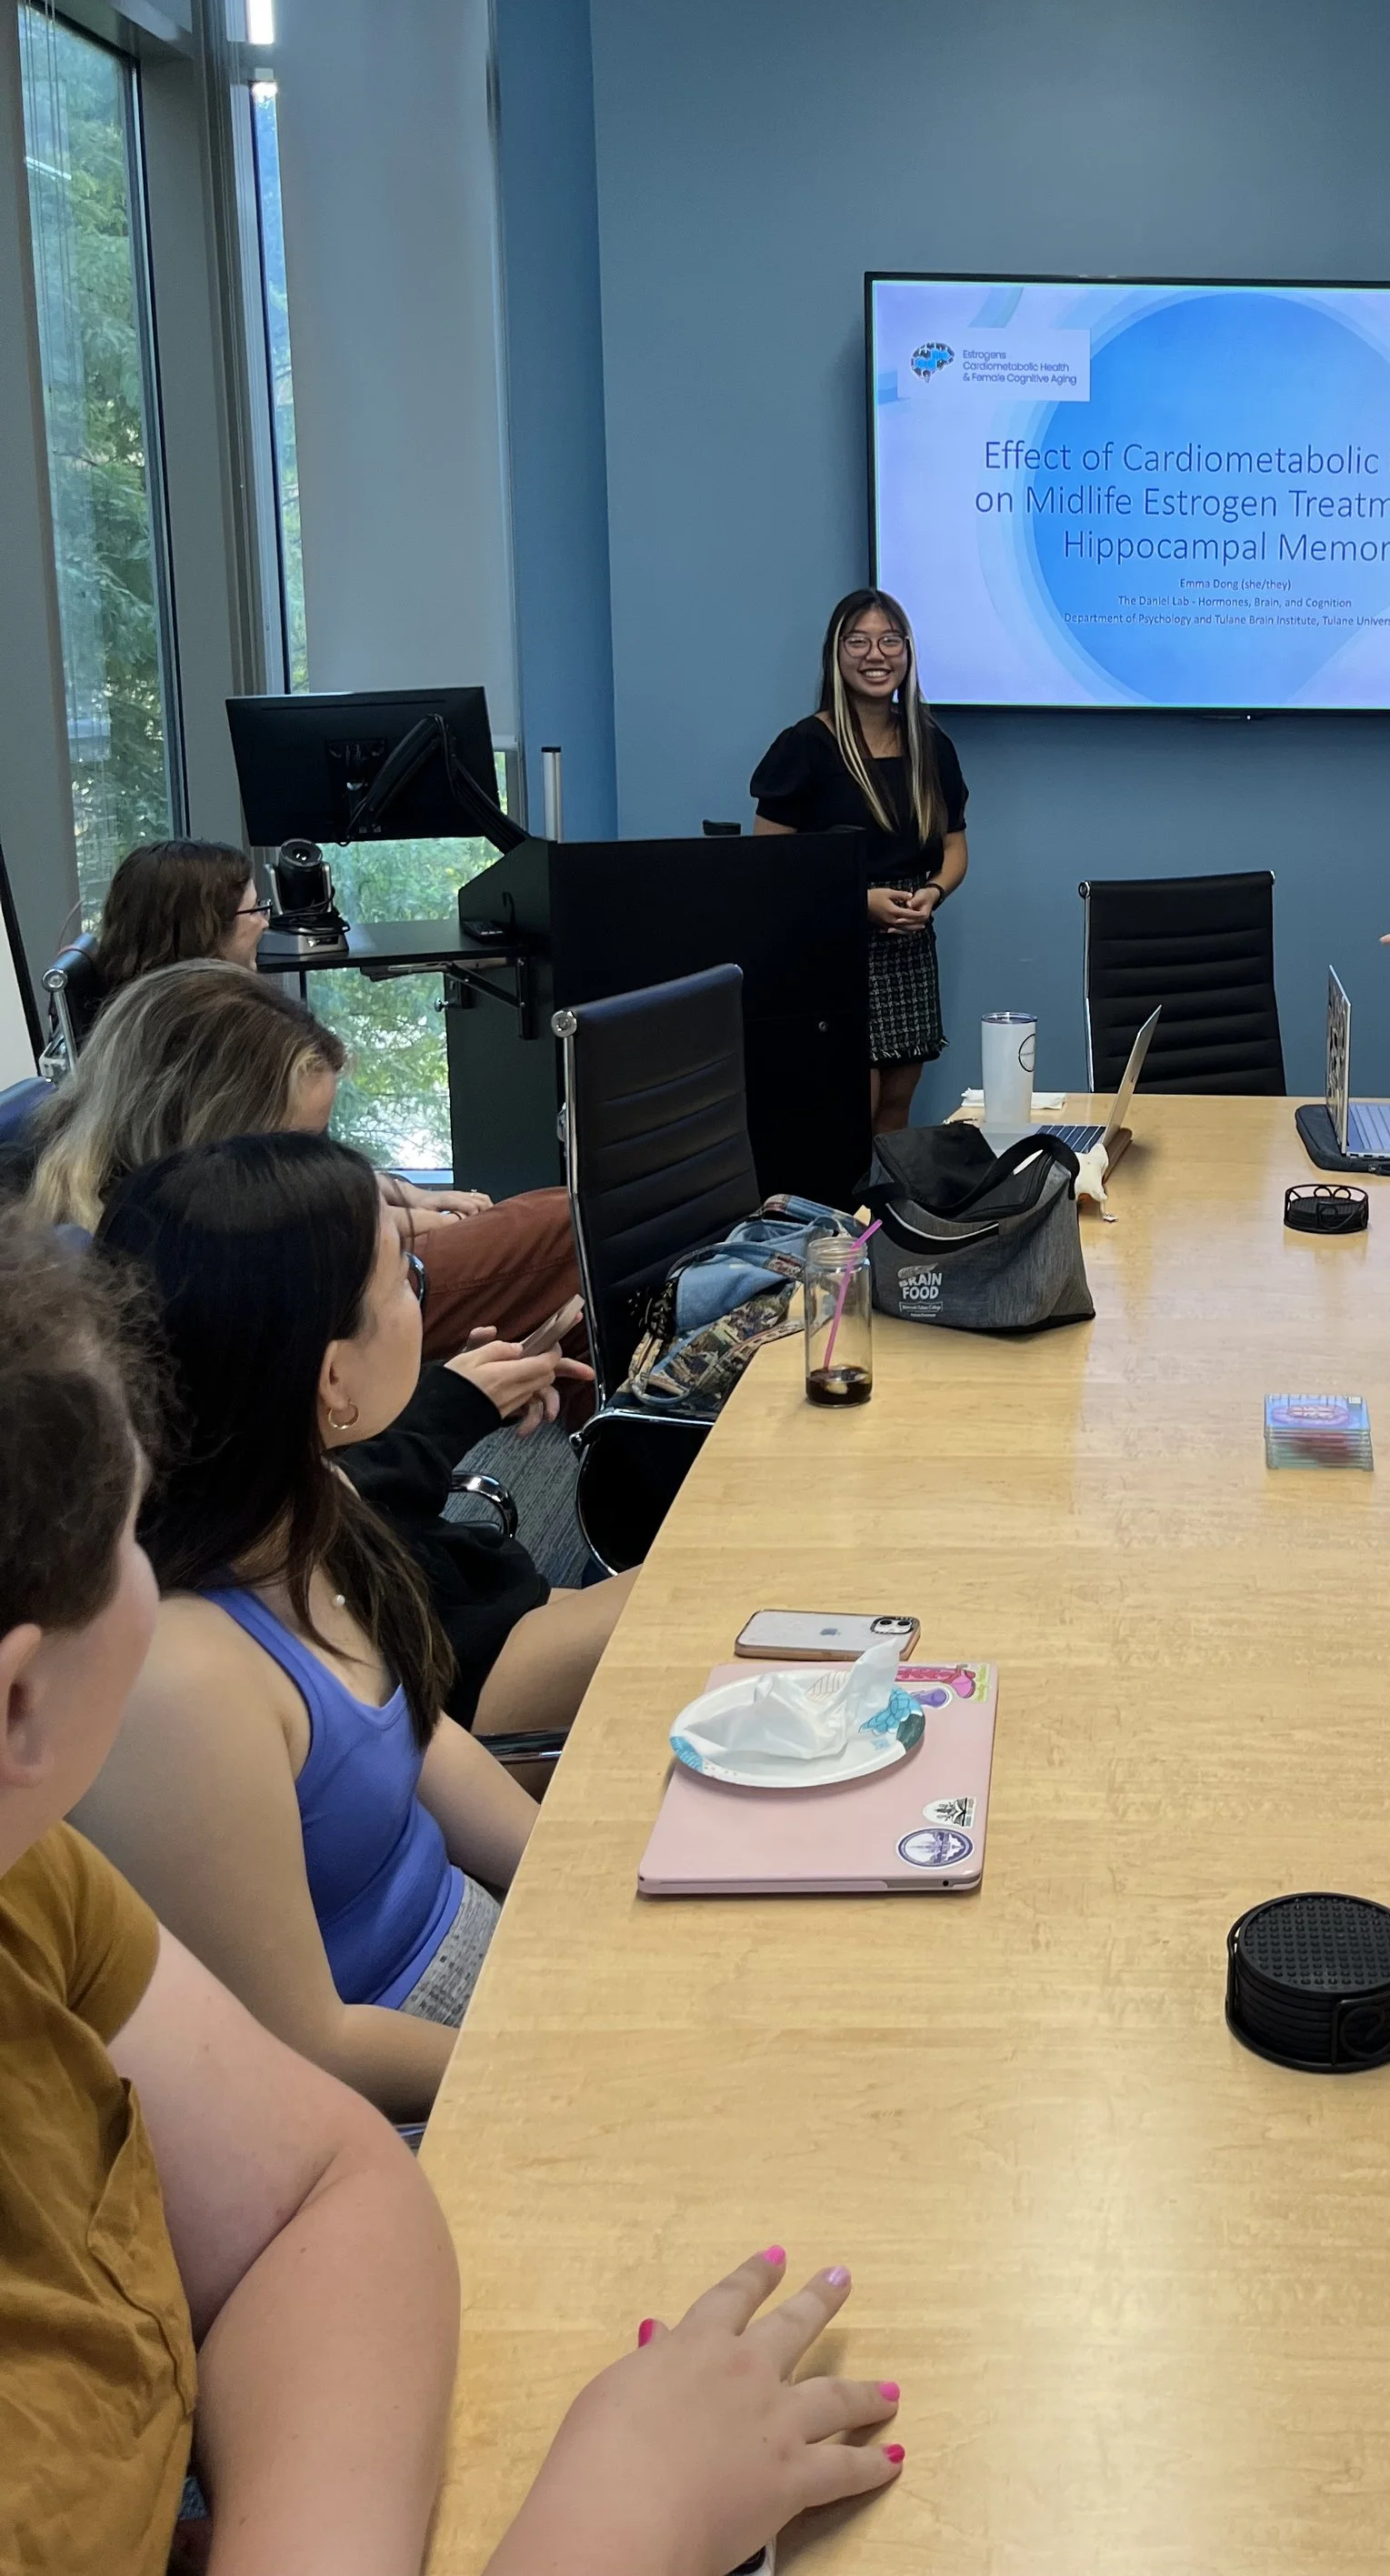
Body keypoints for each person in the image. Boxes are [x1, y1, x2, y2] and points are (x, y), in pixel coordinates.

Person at [0, 1211, 905, 2572]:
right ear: (21, 1701)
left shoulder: (38, 1875)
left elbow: (315, 2183)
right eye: (127, 1533)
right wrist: (608, 2523)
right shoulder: (186, 1688)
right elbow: (326, 2090)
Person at [79, 1132, 546, 2121]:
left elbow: (420, 1737)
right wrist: (546, 2065)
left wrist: (577, 1885)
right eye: (405, 1279)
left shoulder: (301, 1499)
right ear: (331, 1378)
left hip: (481, 1983)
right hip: (386, 2096)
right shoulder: (184, 1677)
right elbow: (304, 2046)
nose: (422, 1298)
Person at [22, 956, 588, 1390]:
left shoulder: (110, 1194)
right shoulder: (189, 1290)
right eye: (304, 1146)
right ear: (216, 1130)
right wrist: (453, 1405)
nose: (318, 1166)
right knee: (569, 1229)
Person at [752, 588, 968, 1132]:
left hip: (910, 942)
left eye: (890, 641)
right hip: (835, 942)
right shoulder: (804, 744)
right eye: (859, 642)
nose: (876, 655)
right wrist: (858, 901)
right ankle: (842, 1218)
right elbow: (769, 863)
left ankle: (886, 1217)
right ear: (836, 653)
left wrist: (933, 894)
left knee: (897, 1103)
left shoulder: (931, 744)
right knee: (852, 1110)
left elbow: (955, 848)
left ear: (908, 652)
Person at [82, 835, 271, 1007]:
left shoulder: (134, 1015)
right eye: (255, 910)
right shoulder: (215, 1026)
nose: (265, 923)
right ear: (205, 930)